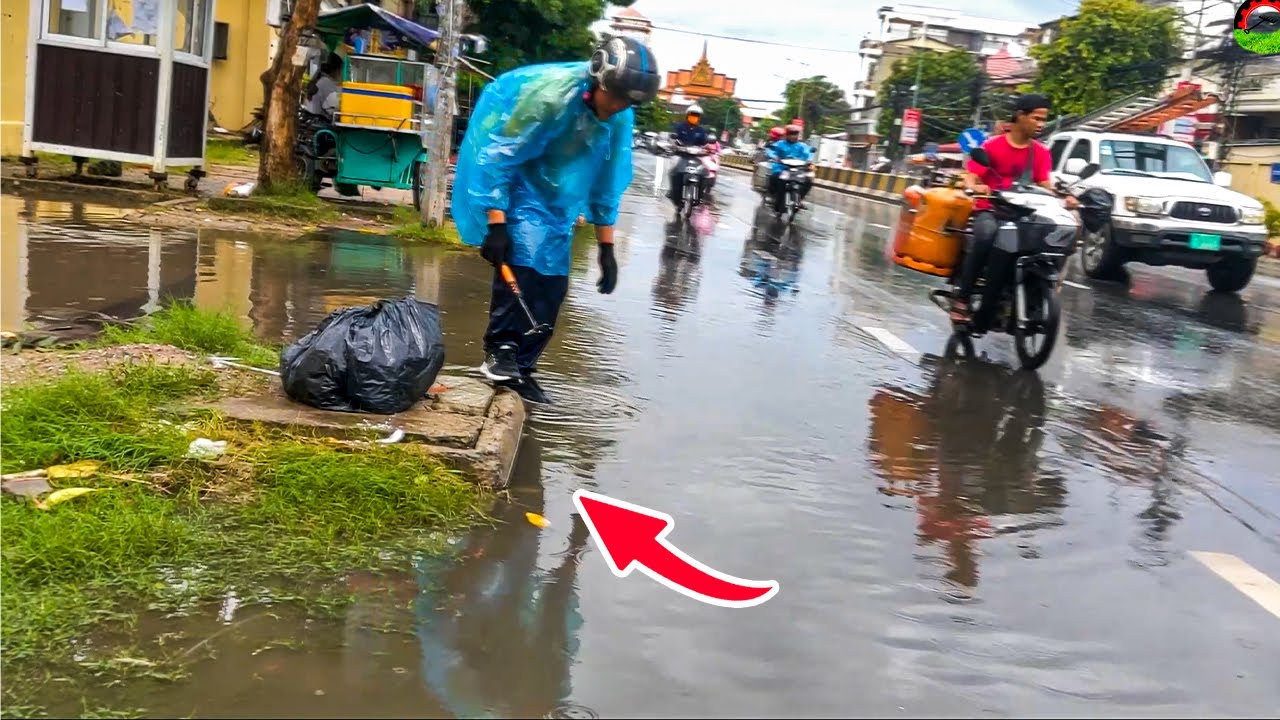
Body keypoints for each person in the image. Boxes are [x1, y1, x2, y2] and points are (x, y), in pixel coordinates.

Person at [451, 36, 661, 405]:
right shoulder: (548, 98)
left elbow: (607, 181)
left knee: (553, 287)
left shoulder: (619, 115)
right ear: (598, 80)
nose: (618, 107)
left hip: (560, 206)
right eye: (615, 97)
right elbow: (499, 158)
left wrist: (607, 249)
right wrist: (497, 225)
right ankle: (500, 354)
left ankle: (524, 367)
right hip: (519, 193)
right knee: (524, 270)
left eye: (627, 102)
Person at [952, 94, 1079, 324]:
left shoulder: (1040, 152)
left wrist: (1064, 198)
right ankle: (963, 297)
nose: (1041, 124)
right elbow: (971, 177)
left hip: (1023, 212)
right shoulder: (992, 146)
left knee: (1054, 235)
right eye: (1036, 118)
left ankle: (1036, 291)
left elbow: (1044, 184)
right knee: (986, 236)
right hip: (990, 209)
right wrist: (977, 186)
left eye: (1044, 119)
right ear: (1020, 116)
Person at [666, 104, 711, 208]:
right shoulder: (679, 127)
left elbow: (705, 143)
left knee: (705, 172)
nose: (694, 117)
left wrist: (707, 149)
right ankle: (672, 191)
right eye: (692, 115)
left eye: (697, 116)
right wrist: (674, 144)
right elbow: (673, 138)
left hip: (695, 156)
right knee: (673, 170)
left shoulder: (701, 130)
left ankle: (701, 194)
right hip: (680, 154)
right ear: (687, 115)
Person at [764, 124, 814, 212]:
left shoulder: (802, 146)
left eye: (795, 134)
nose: (793, 136)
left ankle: (800, 199)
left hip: (798, 169)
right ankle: (773, 196)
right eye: (791, 134)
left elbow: (808, 153)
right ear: (786, 135)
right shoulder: (779, 144)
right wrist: (774, 157)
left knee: (808, 181)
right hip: (782, 167)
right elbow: (771, 151)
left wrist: (809, 160)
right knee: (774, 177)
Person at [304, 52, 343, 119]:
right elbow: (332, 110)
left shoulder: (321, 80)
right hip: (317, 120)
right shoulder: (325, 82)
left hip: (312, 117)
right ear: (337, 70)